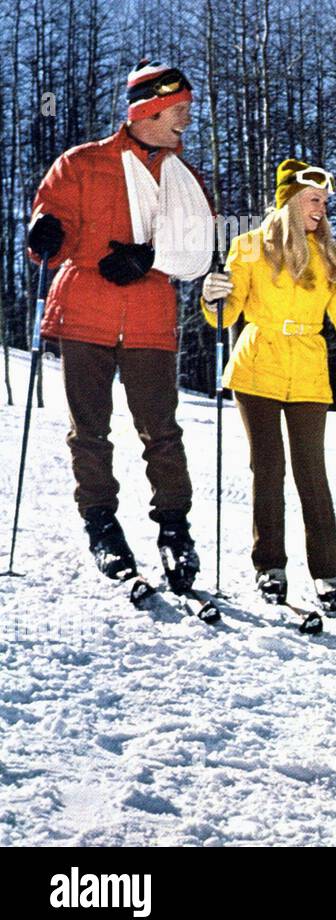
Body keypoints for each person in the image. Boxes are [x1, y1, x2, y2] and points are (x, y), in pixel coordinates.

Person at [199, 158, 336, 610]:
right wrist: (211, 296)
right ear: (289, 202)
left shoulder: (329, 257)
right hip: (257, 364)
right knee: (268, 468)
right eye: (313, 199)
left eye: (324, 201)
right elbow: (229, 314)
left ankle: (328, 573)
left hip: (308, 370)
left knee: (311, 473)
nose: (321, 208)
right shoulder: (249, 247)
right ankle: (270, 568)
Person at [28, 60, 212, 590]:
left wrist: (149, 258)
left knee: (162, 432)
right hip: (85, 313)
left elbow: (195, 248)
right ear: (147, 110)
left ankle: (175, 530)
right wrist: (46, 235)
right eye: (178, 109)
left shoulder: (184, 178)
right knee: (90, 431)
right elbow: (52, 228)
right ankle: (102, 526)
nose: (186, 119)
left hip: (150, 319)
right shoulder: (82, 164)